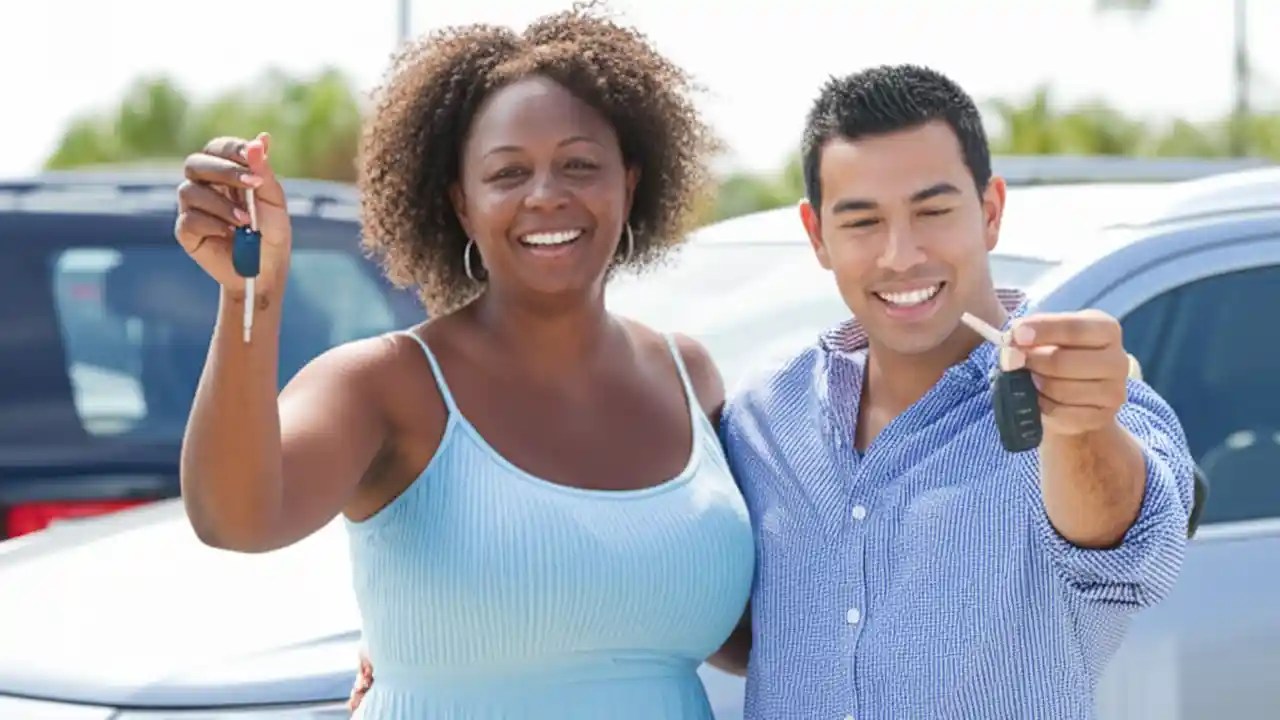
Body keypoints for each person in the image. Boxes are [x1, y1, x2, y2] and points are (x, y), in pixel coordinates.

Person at [347, 63, 1198, 719]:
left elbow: (1124, 544)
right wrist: (435, 641)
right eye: (862, 220)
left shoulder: (1083, 398)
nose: (900, 254)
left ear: (992, 210)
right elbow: (676, 579)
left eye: (934, 211)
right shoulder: (762, 417)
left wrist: (1083, 428)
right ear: (817, 236)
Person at [173, 4, 754, 719]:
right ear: (461, 203)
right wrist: (249, 296)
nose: (547, 194)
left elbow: (750, 631)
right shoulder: (385, 384)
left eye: (579, 164)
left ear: (629, 183)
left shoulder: (687, 376)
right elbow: (237, 518)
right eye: (508, 173)